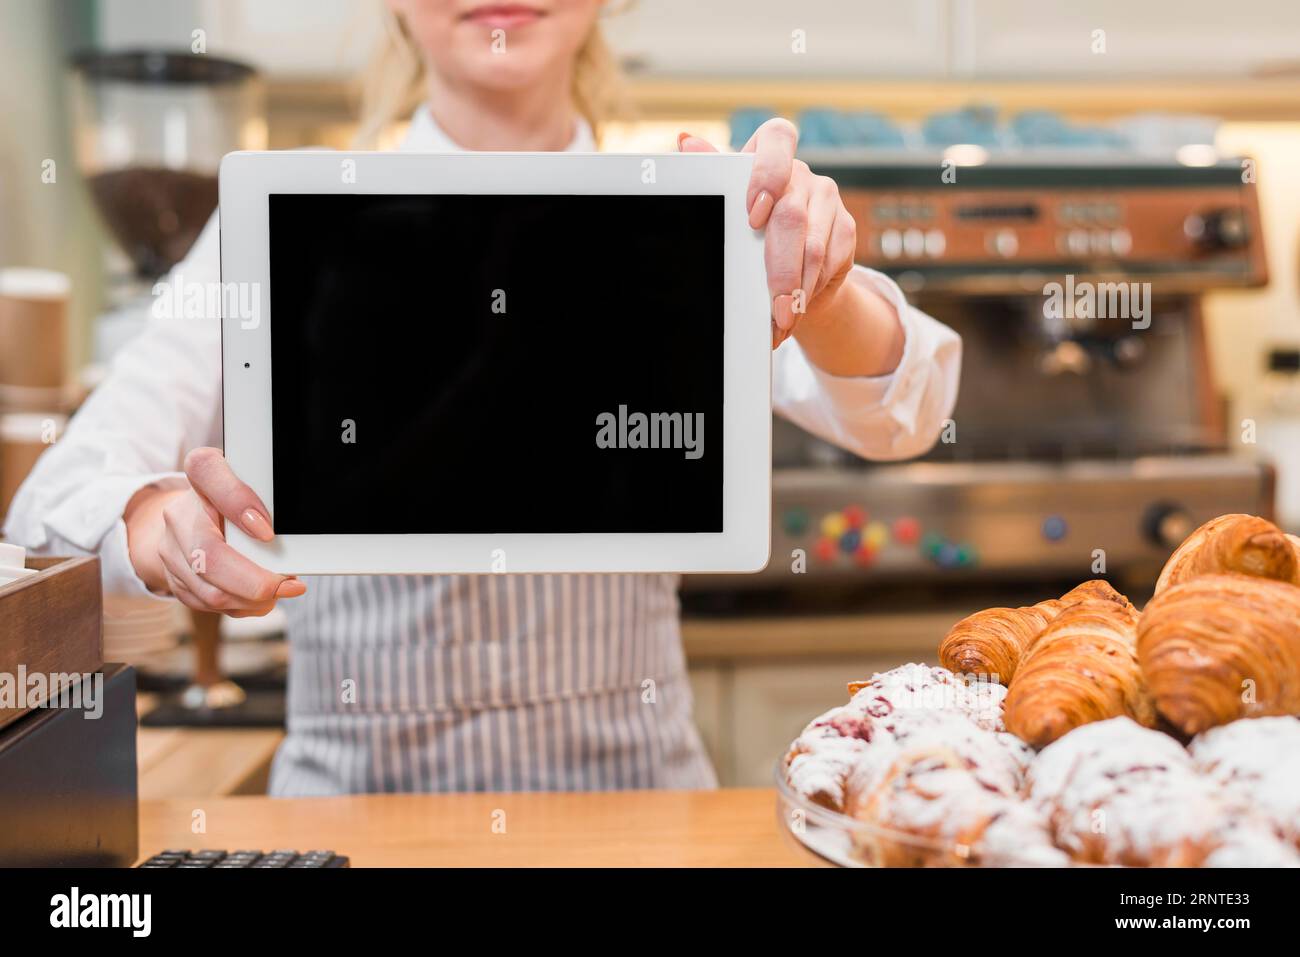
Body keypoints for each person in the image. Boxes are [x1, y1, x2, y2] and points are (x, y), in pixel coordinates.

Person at [5, 0, 960, 794]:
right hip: (357, 823)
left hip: (639, 820)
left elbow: (906, 407)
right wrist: (150, 517)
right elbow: (50, 500)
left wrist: (823, 291)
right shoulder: (276, 230)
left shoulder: (691, 213)